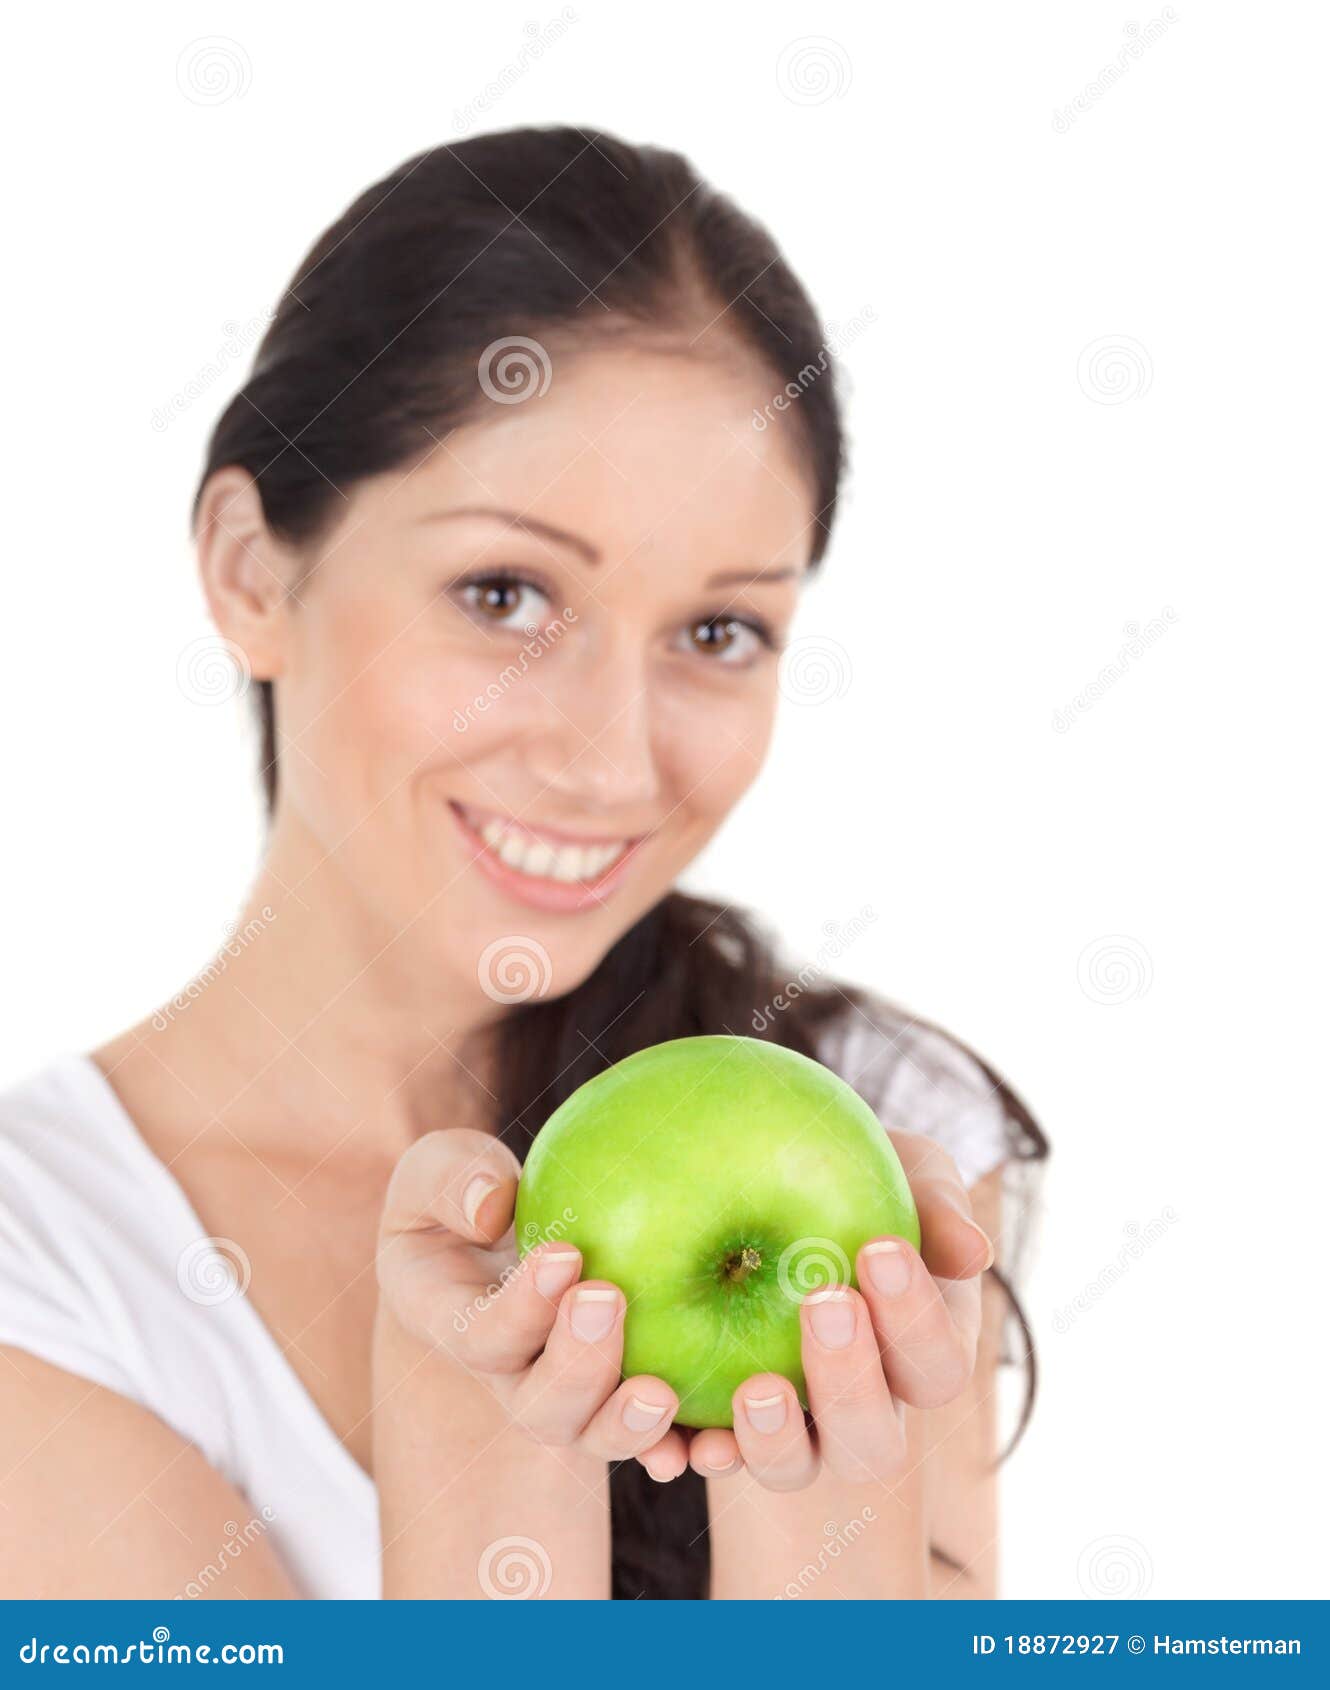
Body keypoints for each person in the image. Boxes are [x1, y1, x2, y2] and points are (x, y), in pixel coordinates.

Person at [0, 127, 1045, 1600]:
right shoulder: (43, 1268)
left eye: (717, 630)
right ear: (251, 569)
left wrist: (815, 1496)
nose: (614, 761)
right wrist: (485, 1443)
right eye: (504, 593)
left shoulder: (875, 1122)